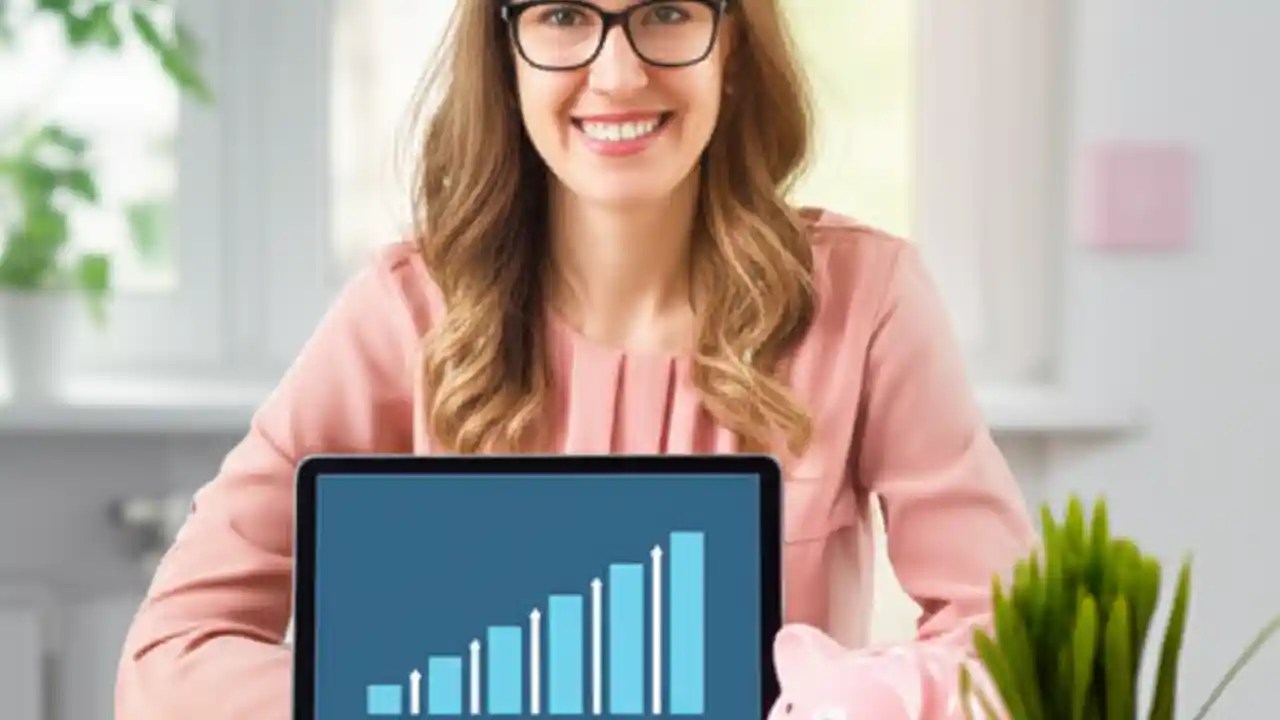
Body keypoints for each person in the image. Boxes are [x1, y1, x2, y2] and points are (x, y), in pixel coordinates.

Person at [115, 0, 1037, 716]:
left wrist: (833, 705)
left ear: (735, 48)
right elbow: (173, 656)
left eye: (667, 12)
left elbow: (1016, 638)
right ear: (504, 53)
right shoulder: (404, 312)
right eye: (563, 16)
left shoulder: (866, 298)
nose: (619, 70)